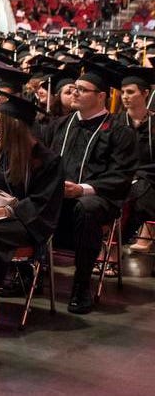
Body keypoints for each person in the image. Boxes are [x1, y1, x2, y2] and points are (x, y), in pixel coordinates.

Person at [0, 92, 62, 331]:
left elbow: (43, 204)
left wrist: (5, 210)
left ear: (13, 126)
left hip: (28, 224)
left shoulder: (48, 161)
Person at [48, 66, 137, 314]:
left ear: (101, 96)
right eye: (74, 88)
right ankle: (23, 271)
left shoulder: (120, 132)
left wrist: (83, 189)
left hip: (98, 199)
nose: (75, 93)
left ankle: (82, 284)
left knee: (86, 208)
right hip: (58, 198)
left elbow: (121, 176)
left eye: (82, 90)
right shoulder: (60, 125)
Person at [119, 67, 155, 251]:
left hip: (150, 176)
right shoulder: (115, 123)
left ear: (145, 93)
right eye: (123, 92)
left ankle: (117, 244)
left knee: (144, 189)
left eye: (130, 92)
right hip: (121, 176)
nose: (125, 96)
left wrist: (140, 174)